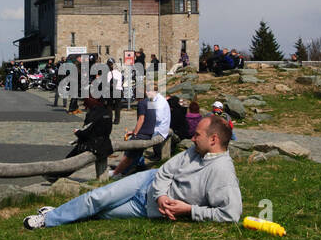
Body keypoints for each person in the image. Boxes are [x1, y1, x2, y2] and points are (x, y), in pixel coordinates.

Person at [23, 115, 242, 228]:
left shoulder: (222, 172)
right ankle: (50, 219)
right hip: (147, 183)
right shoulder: (194, 151)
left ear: (213, 140)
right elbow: (165, 171)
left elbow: (230, 214)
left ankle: (58, 212)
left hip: (149, 209)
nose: (193, 138)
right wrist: (162, 195)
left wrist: (189, 210)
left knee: (101, 213)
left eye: (198, 135)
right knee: (98, 198)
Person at [112, 86, 170, 178]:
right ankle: (139, 165)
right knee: (137, 150)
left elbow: (141, 119)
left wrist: (135, 133)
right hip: (151, 131)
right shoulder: (151, 102)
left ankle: (117, 173)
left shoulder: (142, 103)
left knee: (129, 151)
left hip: (147, 132)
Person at [67, 95, 113, 162]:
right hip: (106, 144)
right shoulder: (107, 111)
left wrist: (77, 132)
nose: (85, 101)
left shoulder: (93, 113)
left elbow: (86, 132)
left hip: (93, 146)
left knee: (69, 160)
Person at [107, 59, 123, 124]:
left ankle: (109, 119)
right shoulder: (119, 73)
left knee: (109, 105)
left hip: (112, 91)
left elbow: (108, 83)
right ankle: (117, 120)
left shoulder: (109, 73)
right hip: (119, 90)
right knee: (117, 106)